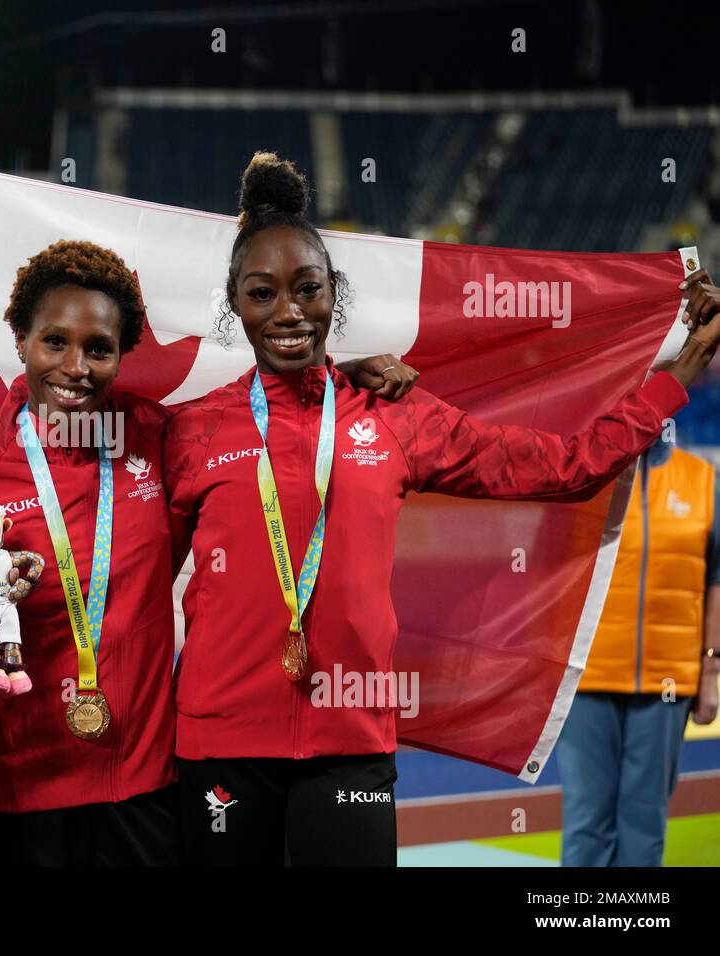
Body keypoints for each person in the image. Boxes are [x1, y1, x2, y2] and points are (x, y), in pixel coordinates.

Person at [163, 151, 720, 867]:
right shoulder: (190, 431)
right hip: (221, 748)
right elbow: (134, 581)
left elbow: (562, 467)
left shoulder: (390, 414)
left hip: (351, 747)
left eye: (307, 288)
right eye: (261, 293)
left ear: (334, 294)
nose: (288, 313)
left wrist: (681, 368)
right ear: (234, 303)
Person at [0, 239, 414, 866]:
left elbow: (260, 421)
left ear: (121, 354)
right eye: (55, 342)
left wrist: (329, 379)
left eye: (99, 349)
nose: (75, 367)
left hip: (139, 791)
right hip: (6, 792)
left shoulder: (156, 435)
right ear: (20, 338)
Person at [558, 427, 720, 866]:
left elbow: (715, 582)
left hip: (667, 680)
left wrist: (710, 674)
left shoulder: (702, 479)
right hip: (584, 677)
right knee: (587, 819)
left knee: (644, 821)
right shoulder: (582, 476)